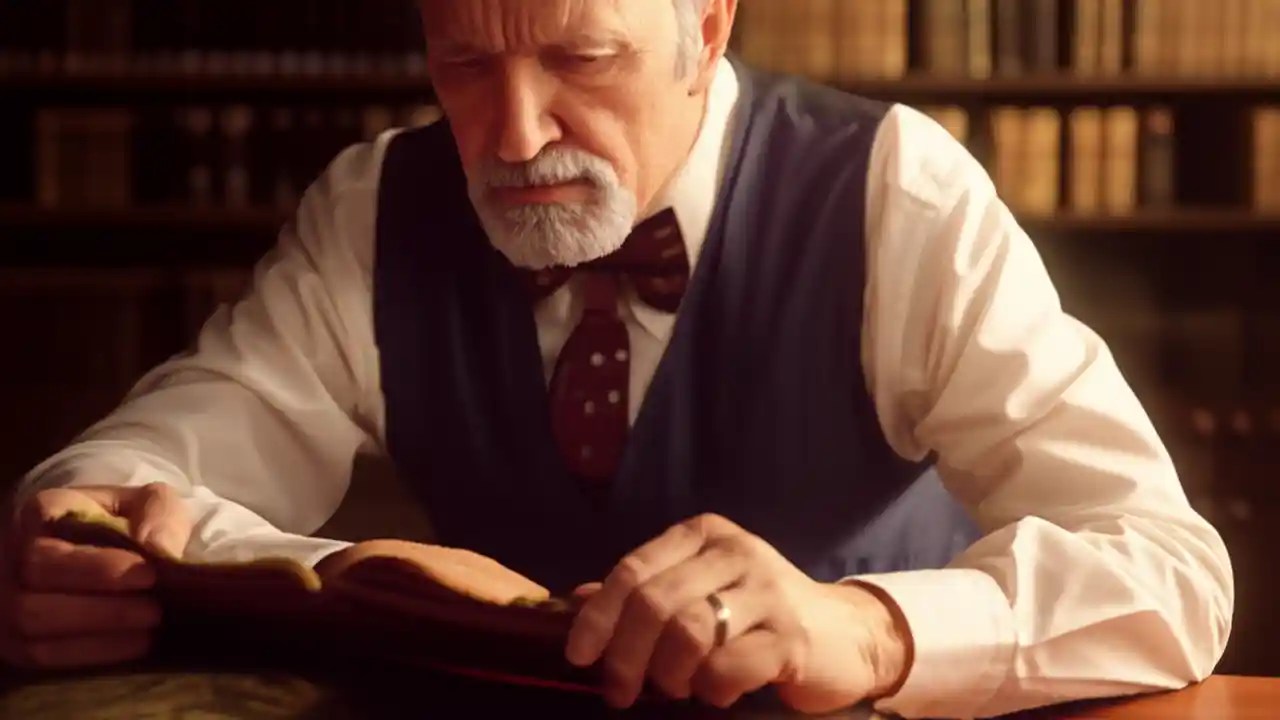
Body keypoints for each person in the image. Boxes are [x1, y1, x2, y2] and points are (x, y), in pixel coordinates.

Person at [2, 0, 1233, 718]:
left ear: (703, 27)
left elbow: (1170, 572)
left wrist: (861, 631)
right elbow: (160, 448)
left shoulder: (891, 192)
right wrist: (74, 524)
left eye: (580, 59)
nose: (516, 133)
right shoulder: (375, 203)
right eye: (465, 64)